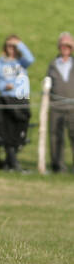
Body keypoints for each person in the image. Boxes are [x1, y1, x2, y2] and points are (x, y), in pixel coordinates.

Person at [0, 35, 35, 172]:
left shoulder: (22, 62)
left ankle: (9, 163)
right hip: (6, 100)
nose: (12, 49)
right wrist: (3, 85)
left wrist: (19, 43)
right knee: (7, 132)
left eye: (14, 46)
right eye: (10, 45)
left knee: (19, 131)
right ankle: (13, 164)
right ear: (5, 47)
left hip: (21, 99)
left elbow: (31, 59)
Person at [46, 32, 74, 173]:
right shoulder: (52, 65)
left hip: (73, 107)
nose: (65, 48)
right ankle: (58, 167)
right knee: (56, 137)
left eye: (68, 46)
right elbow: (47, 85)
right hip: (56, 106)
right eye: (63, 45)